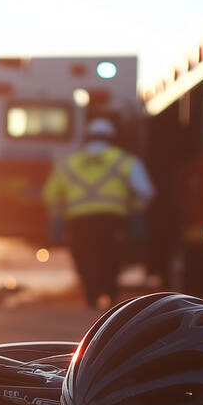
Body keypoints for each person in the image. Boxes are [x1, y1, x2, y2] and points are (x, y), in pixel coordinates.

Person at [43, 117, 155, 308]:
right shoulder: (124, 160)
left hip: (79, 220)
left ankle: (91, 296)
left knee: (84, 258)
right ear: (112, 138)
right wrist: (136, 211)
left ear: (87, 137)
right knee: (111, 257)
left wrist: (57, 218)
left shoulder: (68, 163)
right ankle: (109, 296)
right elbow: (146, 191)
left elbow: (51, 194)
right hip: (111, 220)